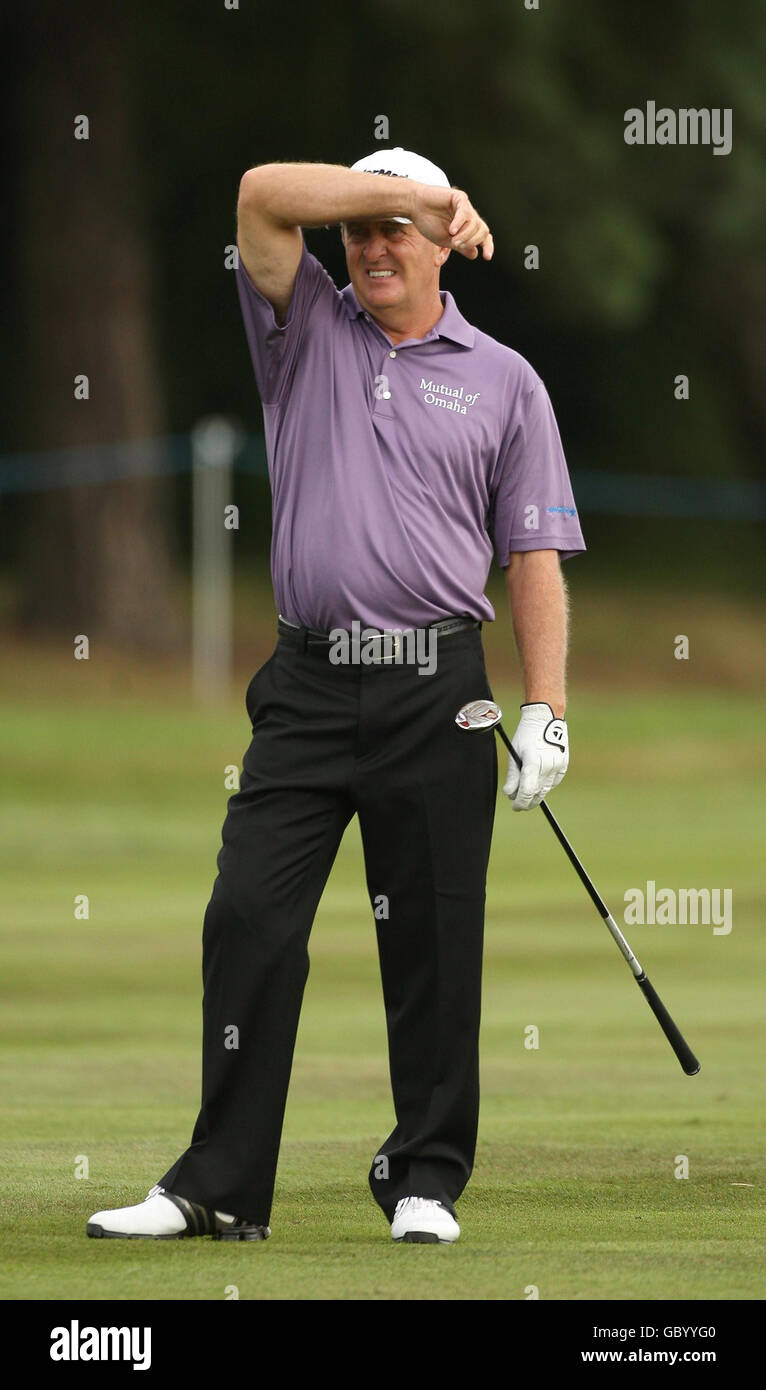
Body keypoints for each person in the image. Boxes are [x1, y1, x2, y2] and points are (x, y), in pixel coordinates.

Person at [87, 147, 585, 1246]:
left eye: (394, 230)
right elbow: (262, 193)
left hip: (439, 687)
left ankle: (424, 1177)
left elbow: (533, 556)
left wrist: (545, 708)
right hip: (308, 685)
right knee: (249, 915)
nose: (370, 246)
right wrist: (406, 195)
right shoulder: (302, 328)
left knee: (436, 939)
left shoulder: (505, 379)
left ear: (441, 250)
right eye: (359, 225)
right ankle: (216, 1184)